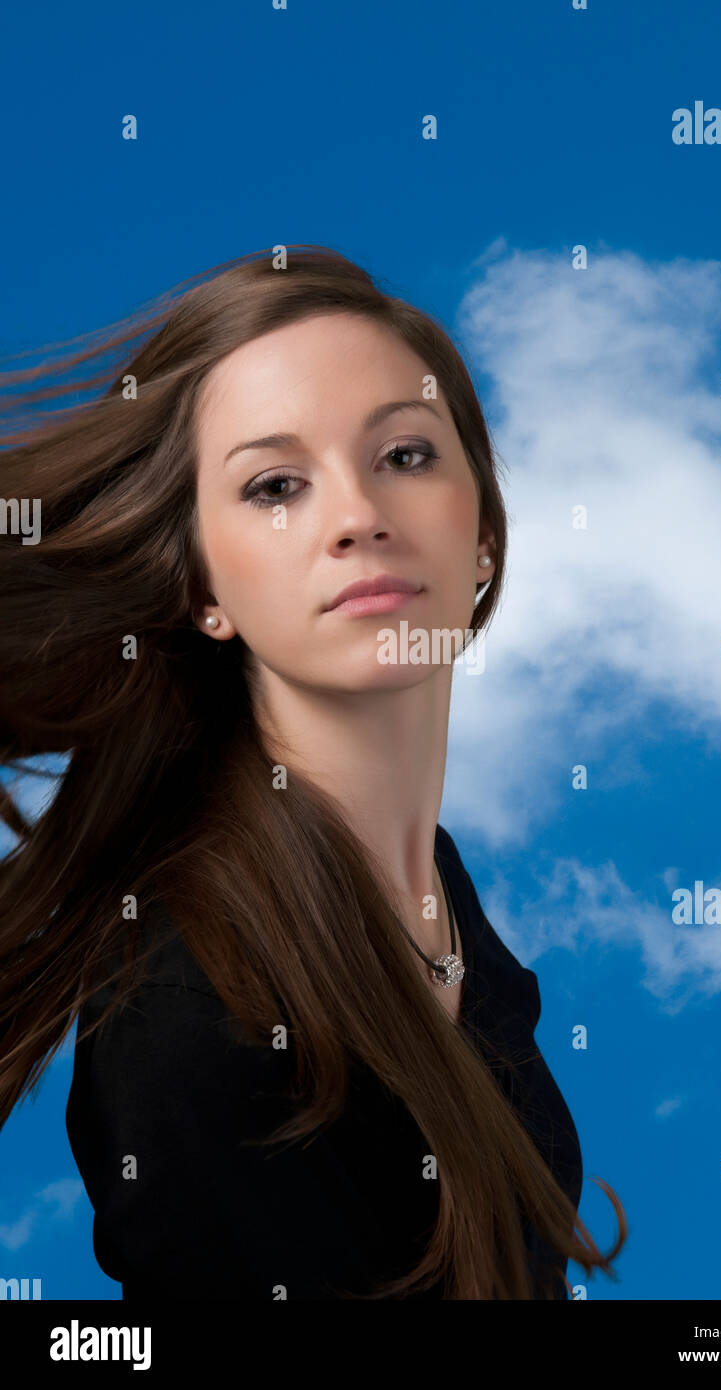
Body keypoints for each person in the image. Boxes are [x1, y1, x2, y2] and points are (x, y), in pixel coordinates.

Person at [0, 246, 626, 1299]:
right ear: (204, 588)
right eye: (275, 484)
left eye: (406, 456)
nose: (357, 516)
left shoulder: (433, 885)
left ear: (482, 537)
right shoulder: (193, 1013)